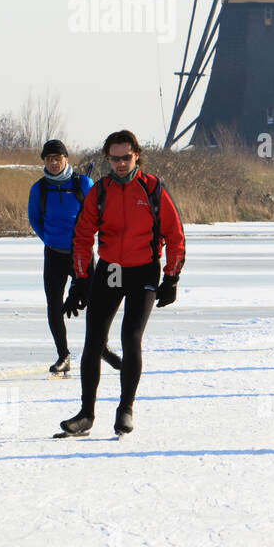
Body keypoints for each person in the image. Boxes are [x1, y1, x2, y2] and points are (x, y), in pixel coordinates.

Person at [57, 130, 185, 437]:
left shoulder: (152, 188)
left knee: (131, 337)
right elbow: (82, 236)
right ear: (108, 158)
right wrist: (80, 280)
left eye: (126, 157)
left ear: (136, 155)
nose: (120, 164)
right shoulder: (100, 191)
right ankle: (86, 415)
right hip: (111, 270)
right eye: (114, 159)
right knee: (93, 342)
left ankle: (125, 409)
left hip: (143, 271)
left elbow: (175, 235)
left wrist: (171, 277)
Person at [27, 138, 112, 376]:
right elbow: (35, 218)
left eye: (58, 158)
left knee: (96, 302)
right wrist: (51, 240)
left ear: (66, 159)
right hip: (53, 254)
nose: (53, 163)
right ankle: (63, 355)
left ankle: (100, 345)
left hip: (82, 253)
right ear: (44, 161)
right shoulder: (39, 188)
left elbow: (98, 214)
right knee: (54, 305)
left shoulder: (83, 183)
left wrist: (83, 242)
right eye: (49, 159)